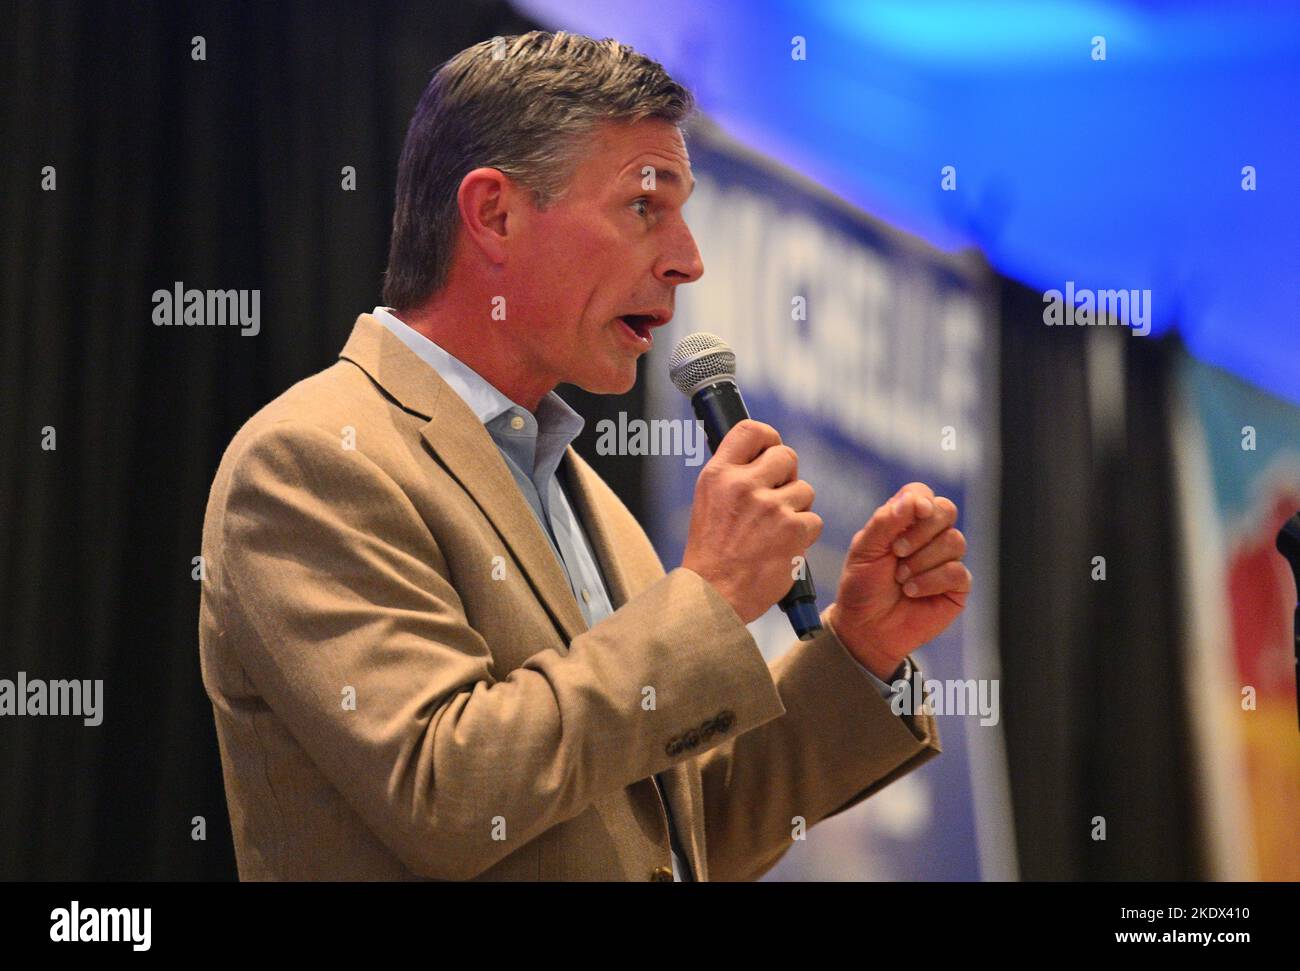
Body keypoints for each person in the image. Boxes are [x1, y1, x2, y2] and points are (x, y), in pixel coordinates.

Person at [198, 30, 971, 881]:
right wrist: (707, 595)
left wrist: (859, 649)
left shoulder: (589, 501)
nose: (688, 260)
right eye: (646, 206)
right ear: (494, 213)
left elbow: (674, 836)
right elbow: (446, 790)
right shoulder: (313, 458)